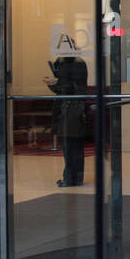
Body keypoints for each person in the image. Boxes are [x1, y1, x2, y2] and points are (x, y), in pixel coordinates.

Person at [46, 56, 89, 187]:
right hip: (68, 108)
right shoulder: (64, 61)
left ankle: (71, 178)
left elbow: (76, 87)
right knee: (71, 146)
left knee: (70, 146)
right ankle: (73, 177)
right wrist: (55, 83)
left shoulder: (76, 63)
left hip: (70, 109)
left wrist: (57, 82)